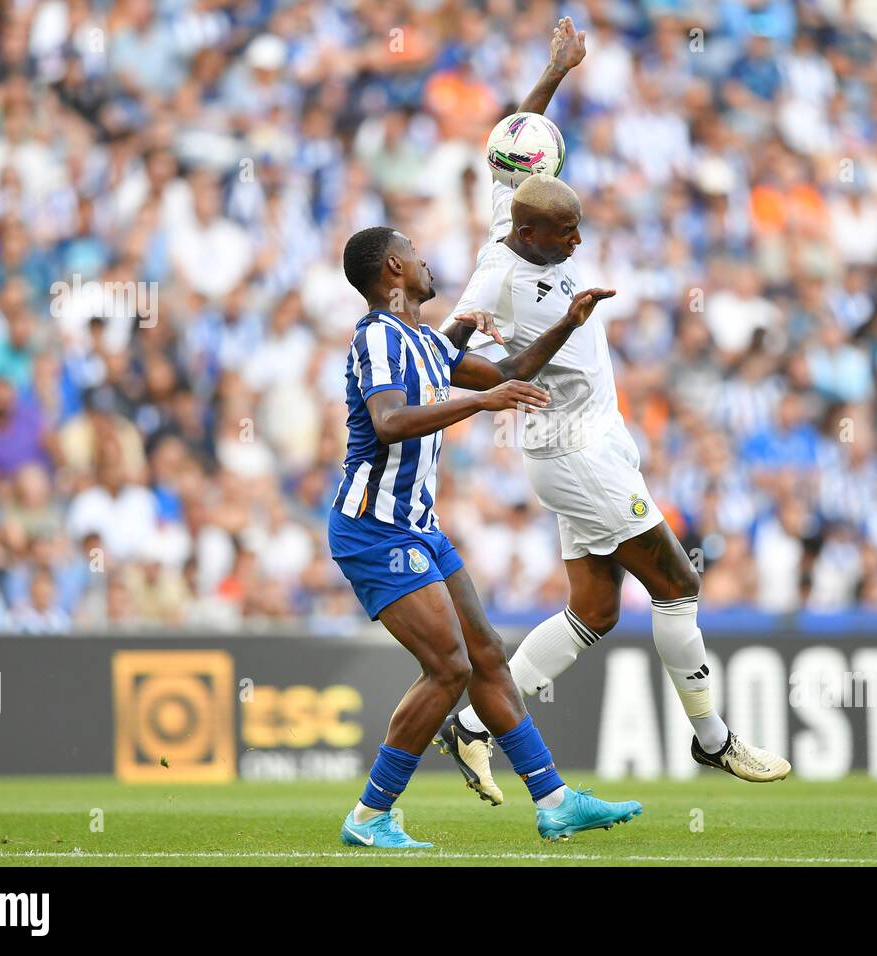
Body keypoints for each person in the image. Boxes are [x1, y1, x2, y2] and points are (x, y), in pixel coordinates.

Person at [435, 18, 790, 806]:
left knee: (594, 609)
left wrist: (553, 72)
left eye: (577, 230)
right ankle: (714, 741)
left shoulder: (517, 217)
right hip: (571, 451)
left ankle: (472, 728)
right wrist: (495, 379)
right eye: (566, 235)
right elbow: (443, 350)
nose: (577, 240)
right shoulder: (497, 270)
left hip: (597, 439)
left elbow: (514, 148)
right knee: (680, 583)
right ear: (531, 233)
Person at [330, 224, 640, 848]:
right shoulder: (379, 338)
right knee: (448, 667)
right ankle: (369, 817)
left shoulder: (423, 342)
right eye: (415, 251)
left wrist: (569, 323)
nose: (426, 258)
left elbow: (510, 369)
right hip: (373, 527)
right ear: (393, 267)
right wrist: (482, 403)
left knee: (488, 655)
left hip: (416, 525)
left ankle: (554, 800)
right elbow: (389, 423)